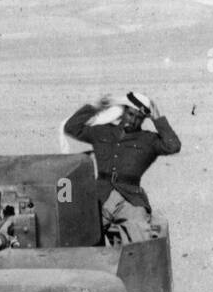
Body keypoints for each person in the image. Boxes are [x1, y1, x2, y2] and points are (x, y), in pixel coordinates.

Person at [63, 92, 180, 243]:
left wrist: (158, 119)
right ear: (123, 111)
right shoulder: (102, 131)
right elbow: (71, 127)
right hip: (100, 198)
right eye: (131, 114)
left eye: (139, 118)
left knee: (142, 239)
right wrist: (94, 107)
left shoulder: (148, 140)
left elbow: (173, 146)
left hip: (130, 201)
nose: (133, 121)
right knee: (80, 237)